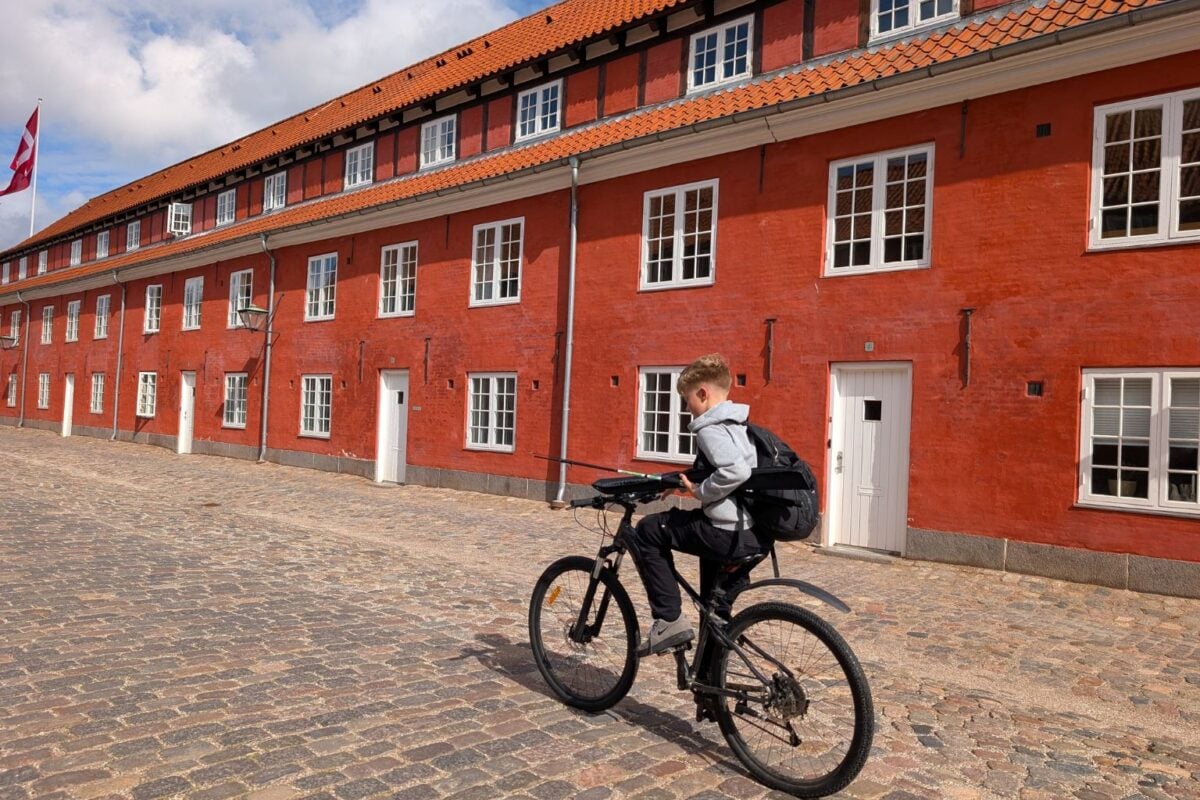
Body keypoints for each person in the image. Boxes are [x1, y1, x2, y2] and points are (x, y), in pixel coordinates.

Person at [626, 353, 765, 657]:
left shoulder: (709, 428)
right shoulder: (739, 424)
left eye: (687, 399)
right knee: (715, 613)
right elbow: (730, 471)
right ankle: (711, 694)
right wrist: (684, 484)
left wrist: (701, 492)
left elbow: (734, 472)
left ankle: (669, 621)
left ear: (703, 393)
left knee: (649, 529)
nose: (686, 408)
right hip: (749, 533)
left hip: (724, 532)